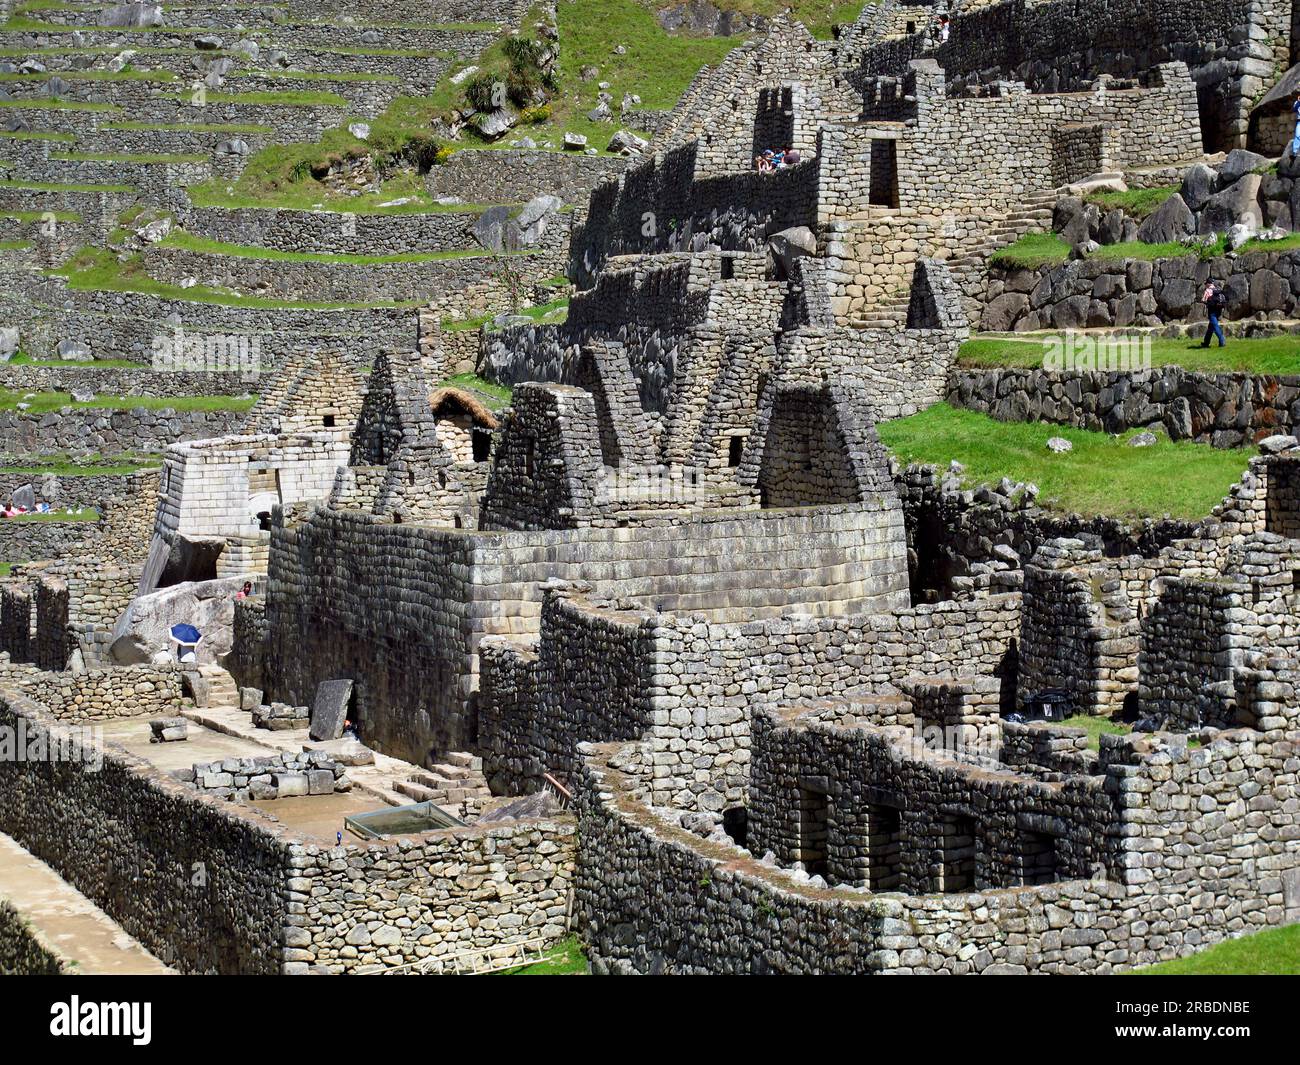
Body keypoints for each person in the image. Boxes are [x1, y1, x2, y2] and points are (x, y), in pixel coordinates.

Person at [1201, 280, 1228, 348]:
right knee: (1211, 327)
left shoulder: (1208, 290)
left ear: (1208, 284)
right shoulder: (1218, 289)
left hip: (1212, 310)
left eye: (1206, 284)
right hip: (1219, 310)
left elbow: (1203, 300)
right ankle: (1206, 342)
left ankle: (1222, 340)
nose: (1205, 285)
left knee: (1215, 326)